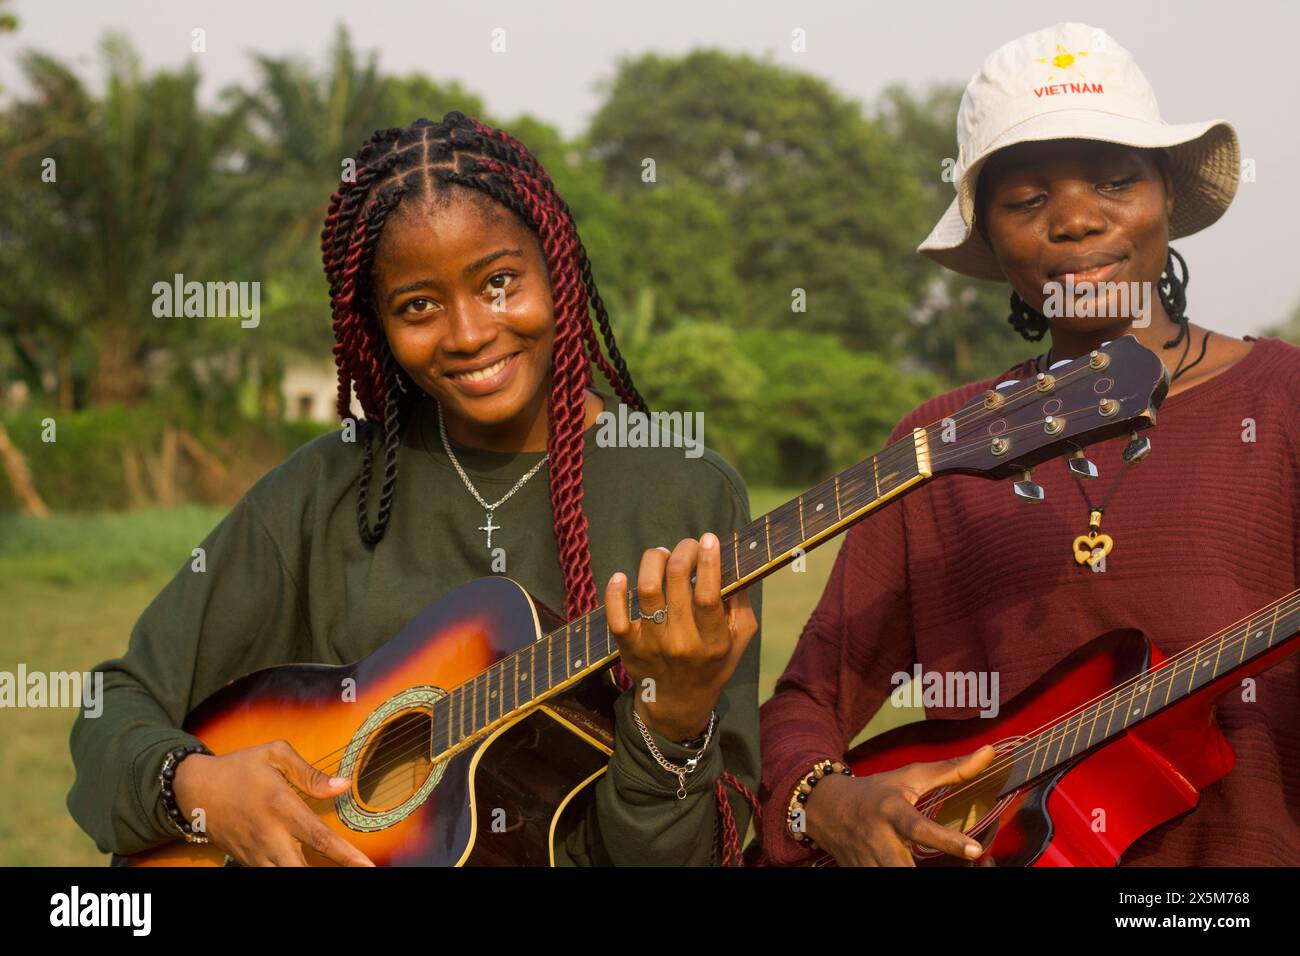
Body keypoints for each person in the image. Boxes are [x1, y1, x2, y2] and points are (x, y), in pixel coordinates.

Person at [67, 112, 761, 867]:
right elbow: (116, 707)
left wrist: (675, 719)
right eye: (419, 306)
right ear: (376, 327)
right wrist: (196, 792)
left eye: (499, 283)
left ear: (555, 269)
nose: (467, 333)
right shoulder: (322, 490)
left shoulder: (685, 495)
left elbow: (689, 854)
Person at [757, 22, 1299, 867]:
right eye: (1026, 200)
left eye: (1115, 180)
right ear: (991, 240)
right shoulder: (935, 450)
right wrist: (829, 801)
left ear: (1165, 198)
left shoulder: (1285, 400)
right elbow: (803, 702)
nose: (1077, 220)